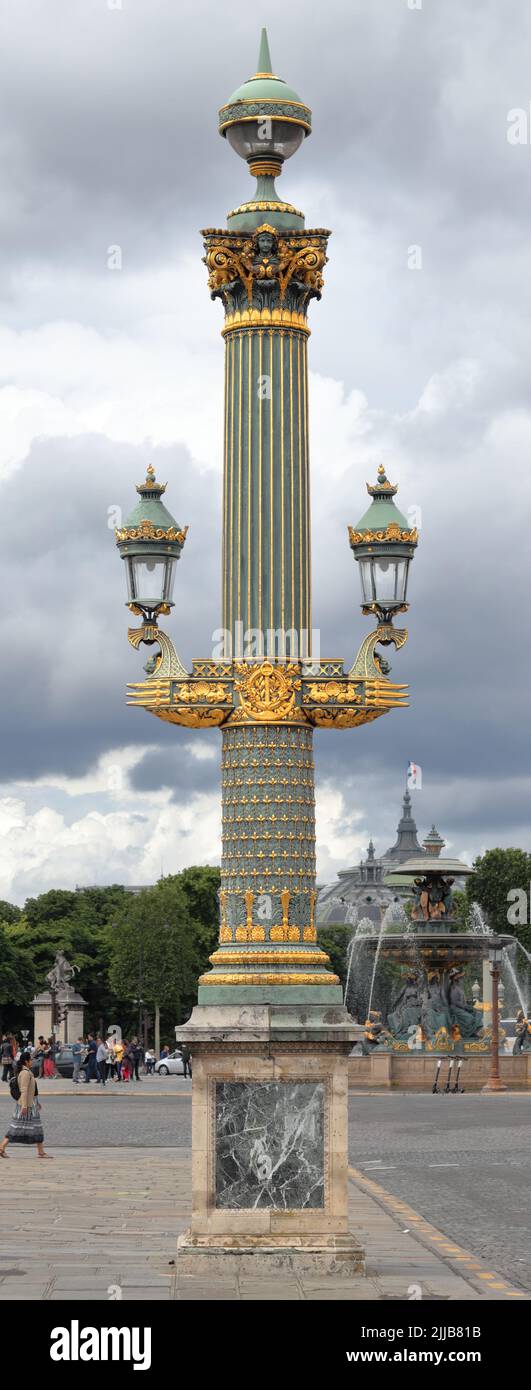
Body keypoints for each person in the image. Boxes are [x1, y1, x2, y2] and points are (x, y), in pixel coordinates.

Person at [0, 1050, 52, 1159]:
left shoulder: (27, 1072)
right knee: (16, 1128)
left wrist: (37, 1103)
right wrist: (24, 1106)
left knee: (36, 1128)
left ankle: (41, 1152)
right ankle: (1, 1148)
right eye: (30, 1059)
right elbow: (24, 1091)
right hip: (26, 1106)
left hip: (31, 1105)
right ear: (26, 1061)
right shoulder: (25, 1073)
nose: (32, 1061)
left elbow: (32, 1091)